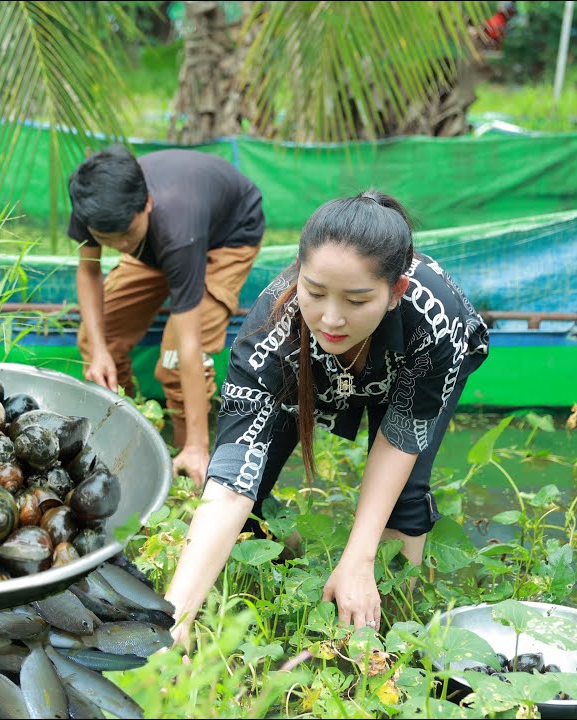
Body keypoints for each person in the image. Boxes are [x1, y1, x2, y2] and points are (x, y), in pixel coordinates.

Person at [163, 191, 490, 645]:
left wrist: (360, 558)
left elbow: (400, 436)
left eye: (356, 300)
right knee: (246, 504)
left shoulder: (435, 320)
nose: (331, 318)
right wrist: (171, 621)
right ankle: (305, 551)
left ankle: (392, 635)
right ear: (299, 274)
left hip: (409, 363)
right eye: (314, 293)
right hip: (309, 365)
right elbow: (231, 482)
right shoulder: (268, 333)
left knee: (405, 498)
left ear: (396, 292)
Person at [67, 145, 266, 488]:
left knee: (175, 359)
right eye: (108, 240)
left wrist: (197, 446)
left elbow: (188, 346)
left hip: (228, 235)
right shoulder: (93, 205)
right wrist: (99, 350)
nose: (121, 246)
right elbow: (89, 273)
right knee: (95, 337)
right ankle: (127, 429)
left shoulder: (176, 229)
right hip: (163, 240)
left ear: (146, 204)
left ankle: (192, 462)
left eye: (127, 236)